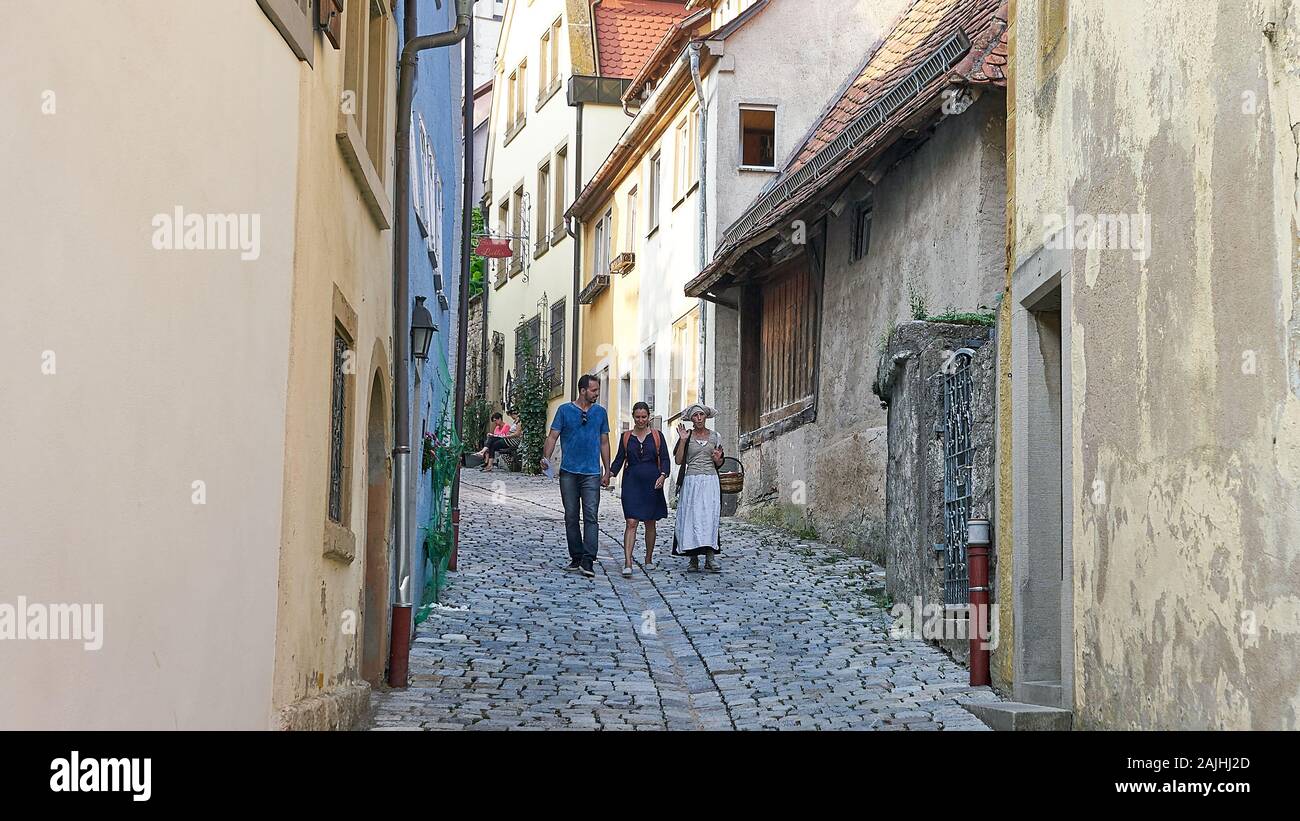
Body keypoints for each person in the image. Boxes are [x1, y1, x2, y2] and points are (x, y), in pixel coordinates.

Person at [541, 375, 611, 578]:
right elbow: (553, 436)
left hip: (591, 473)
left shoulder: (600, 413)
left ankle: (588, 560)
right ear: (582, 390)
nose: (597, 393)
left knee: (591, 516)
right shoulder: (564, 411)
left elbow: (604, 441)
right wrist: (545, 457)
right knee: (571, 516)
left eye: (597, 390)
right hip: (569, 472)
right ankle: (576, 556)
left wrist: (607, 470)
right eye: (594, 390)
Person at [609, 402, 670, 577]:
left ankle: (648, 558)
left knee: (650, 522)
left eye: (644, 417)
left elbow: (665, 459)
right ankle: (628, 562)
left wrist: (663, 475)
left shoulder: (657, 436)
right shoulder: (626, 437)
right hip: (632, 484)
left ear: (648, 416)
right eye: (637, 417)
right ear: (633, 417)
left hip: (652, 484)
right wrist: (610, 474)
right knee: (631, 522)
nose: (641, 420)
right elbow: (619, 459)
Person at [672, 403, 724, 572]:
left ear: (706, 417)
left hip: (710, 480)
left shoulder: (715, 437)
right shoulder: (687, 436)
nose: (699, 418)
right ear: (691, 419)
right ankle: (692, 558)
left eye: (701, 415)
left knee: (710, 517)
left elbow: (720, 462)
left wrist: (717, 459)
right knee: (691, 517)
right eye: (695, 415)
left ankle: (710, 557)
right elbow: (679, 460)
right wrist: (682, 441)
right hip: (692, 480)